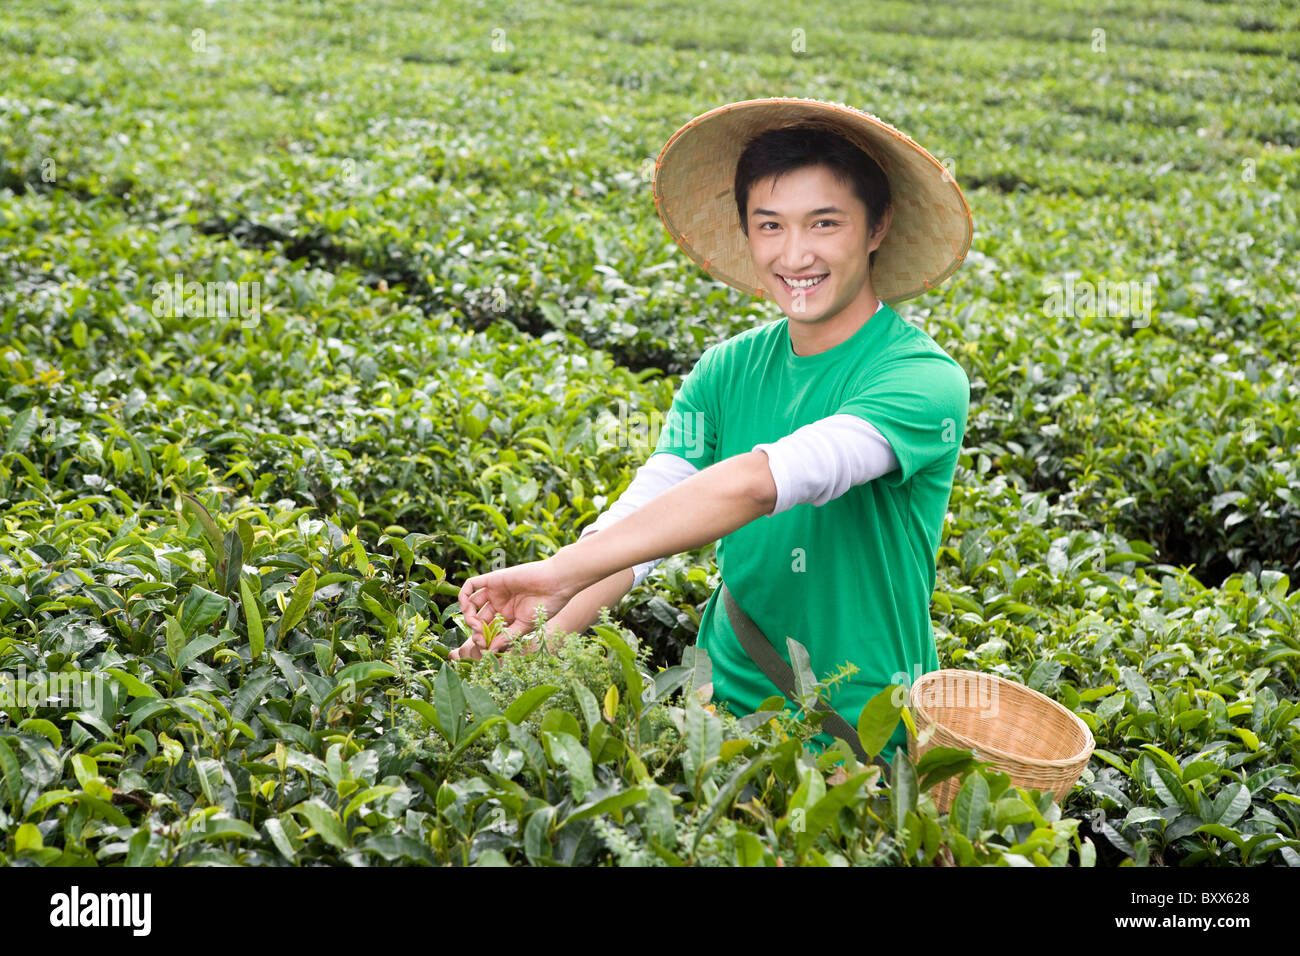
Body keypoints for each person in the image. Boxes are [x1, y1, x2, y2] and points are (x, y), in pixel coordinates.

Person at [454, 97, 973, 763]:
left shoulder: (922, 380)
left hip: (860, 730)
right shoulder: (727, 370)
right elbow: (637, 529)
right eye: (770, 226)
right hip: (720, 720)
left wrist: (556, 573)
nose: (795, 255)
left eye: (824, 224)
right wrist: (529, 636)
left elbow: (767, 481)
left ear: (877, 227)